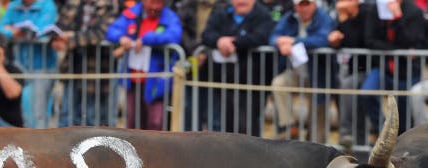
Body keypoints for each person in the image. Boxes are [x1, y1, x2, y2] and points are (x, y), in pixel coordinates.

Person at [200, 0, 274, 135]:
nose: (241, 1)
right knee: (227, 124)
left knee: (247, 124)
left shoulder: (263, 14)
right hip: (224, 79)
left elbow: (261, 37)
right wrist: (219, 41)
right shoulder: (220, 12)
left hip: (254, 82)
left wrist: (232, 42)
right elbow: (206, 34)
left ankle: (251, 155)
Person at [106, 0, 183, 130]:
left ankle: (156, 150)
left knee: (156, 122)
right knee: (133, 122)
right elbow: (112, 31)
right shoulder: (132, 13)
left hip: (156, 79)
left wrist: (147, 39)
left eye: (159, 3)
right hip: (133, 78)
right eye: (152, 3)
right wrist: (121, 38)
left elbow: (174, 35)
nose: (155, 7)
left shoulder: (169, 16)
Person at [269, 0, 334, 141]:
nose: (303, 8)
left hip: (320, 75)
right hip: (296, 72)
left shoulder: (324, 17)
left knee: (317, 127)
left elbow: (324, 39)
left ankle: (317, 144)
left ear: (314, 5)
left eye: (307, 4)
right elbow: (273, 36)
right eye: (300, 4)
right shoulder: (289, 17)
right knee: (279, 83)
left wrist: (294, 41)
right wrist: (279, 42)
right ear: (295, 6)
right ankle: (289, 127)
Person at [360, 0, 426, 133]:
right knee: (367, 92)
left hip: (407, 70)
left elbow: (411, 40)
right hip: (382, 67)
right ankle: (384, 131)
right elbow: (370, 40)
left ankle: (402, 140)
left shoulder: (414, 11)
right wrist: (397, 50)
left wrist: (398, 18)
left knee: (404, 106)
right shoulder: (374, 10)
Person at [51, 0, 118, 127]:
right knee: (67, 114)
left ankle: (92, 146)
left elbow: (100, 34)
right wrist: (55, 38)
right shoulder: (74, 3)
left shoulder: (109, 6)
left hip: (97, 68)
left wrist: (71, 39)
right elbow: (59, 26)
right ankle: (66, 145)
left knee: (91, 115)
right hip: (72, 64)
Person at [0, 0, 58, 128]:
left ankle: (40, 147)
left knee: (38, 115)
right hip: (20, 66)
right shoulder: (14, 5)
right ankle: (28, 145)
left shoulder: (47, 5)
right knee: (23, 114)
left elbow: (42, 30)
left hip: (42, 67)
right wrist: (12, 32)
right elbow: (1, 28)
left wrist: (17, 31)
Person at [327, 0, 369, 149]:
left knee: (348, 85)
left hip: (370, 67)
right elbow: (340, 40)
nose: (341, 4)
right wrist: (334, 41)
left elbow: (356, 42)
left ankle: (346, 132)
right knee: (346, 87)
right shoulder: (345, 16)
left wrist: (343, 18)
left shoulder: (367, 12)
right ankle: (355, 139)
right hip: (353, 68)